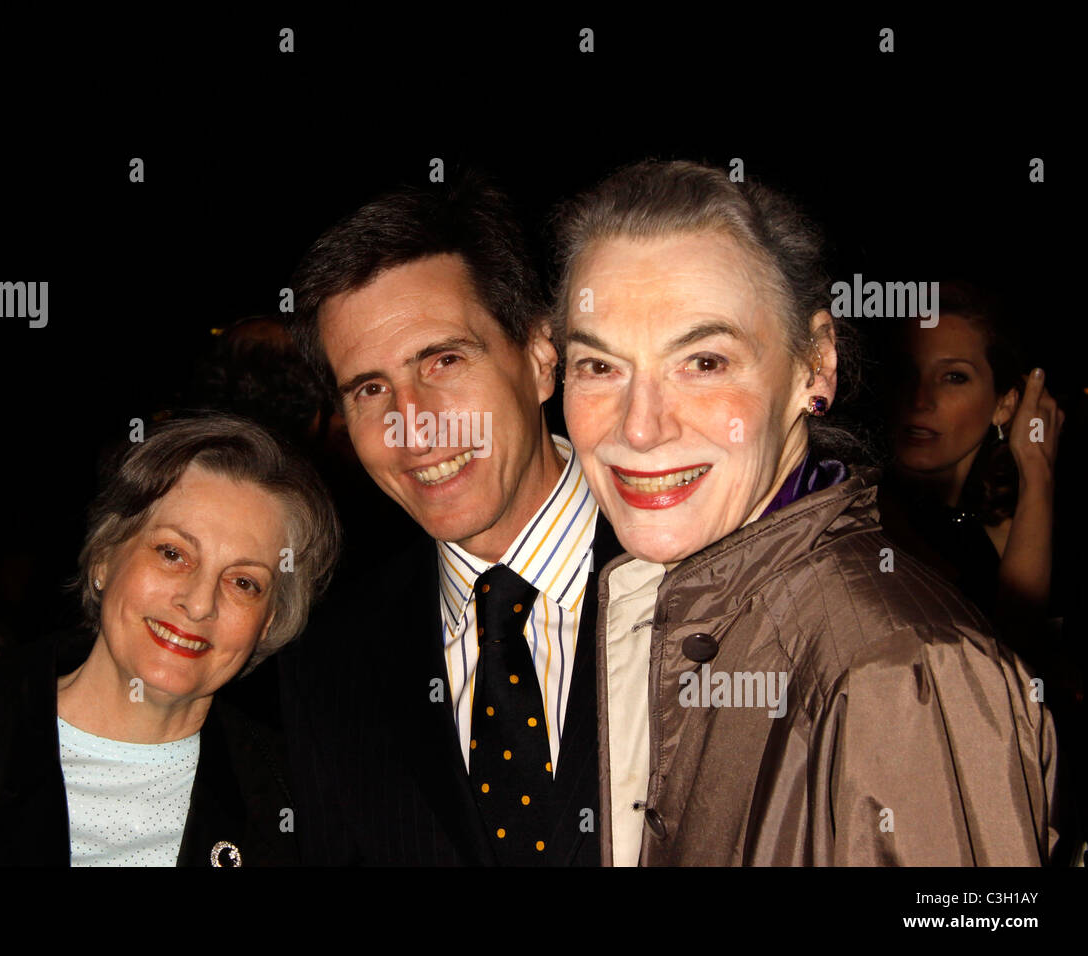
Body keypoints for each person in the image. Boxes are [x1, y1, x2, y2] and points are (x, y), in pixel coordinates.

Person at [553, 158, 1065, 865]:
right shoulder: (638, 604)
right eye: (599, 367)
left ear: (814, 365)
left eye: (704, 362)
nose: (638, 428)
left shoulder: (902, 677)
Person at [0, 414, 340, 865]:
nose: (199, 602)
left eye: (244, 582)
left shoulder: (306, 810)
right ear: (104, 558)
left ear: (270, 621)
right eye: (173, 553)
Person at [283, 171, 623, 865]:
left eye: (442, 361)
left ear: (539, 355)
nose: (413, 427)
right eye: (371, 388)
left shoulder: (712, 580)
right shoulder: (327, 664)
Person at [877, 282, 1065, 652]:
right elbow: (1007, 657)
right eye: (907, 372)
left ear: (1005, 405)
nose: (921, 398)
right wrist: (1038, 473)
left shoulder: (996, 532)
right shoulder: (859, 515)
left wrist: (1036, 469)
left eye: (953, 377)